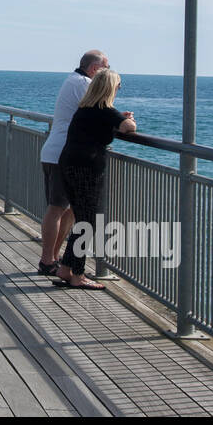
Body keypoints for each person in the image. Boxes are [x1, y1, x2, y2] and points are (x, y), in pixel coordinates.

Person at [54, 69, 136, 290]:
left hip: (68, 163)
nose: (119, 90)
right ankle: (77, 275)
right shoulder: (104, 110)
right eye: (118, 86)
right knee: (87, 222)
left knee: (83, 219)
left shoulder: (85, 109)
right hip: (86, 169)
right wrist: (128, 119)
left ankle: (66, 268)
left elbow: (106, 124)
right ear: (111, 88)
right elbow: (129, 128)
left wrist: (119, 118)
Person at [37, 50, 109, 277]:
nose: (109, 72)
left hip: (57, 152)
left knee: (68, 210)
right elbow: (100, 113)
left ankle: (54, 257)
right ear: (95, 69)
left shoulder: (74, 80)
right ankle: (47, 260)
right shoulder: (84, 83)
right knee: (57, 208)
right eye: (107, 67)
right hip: (62, 153)